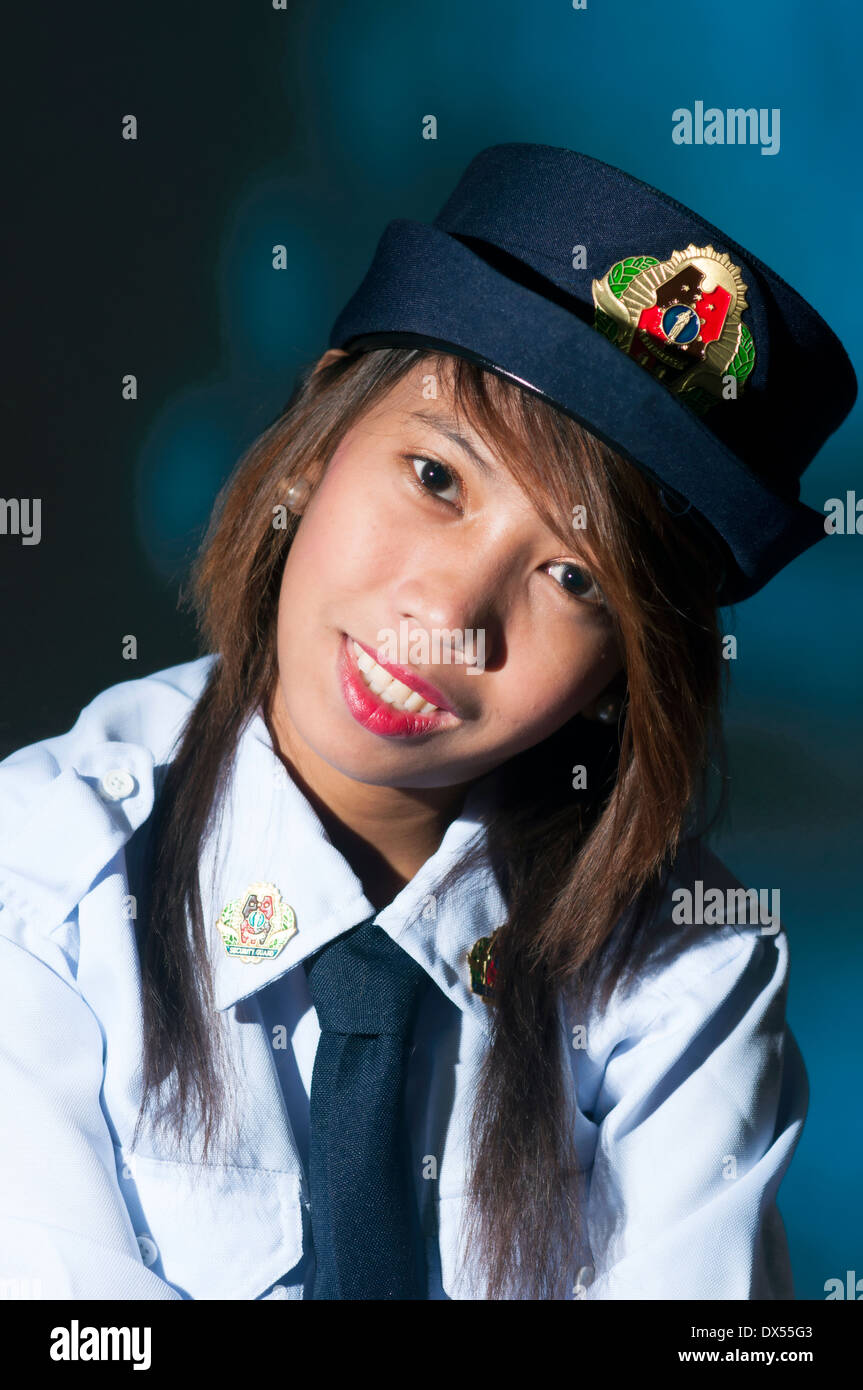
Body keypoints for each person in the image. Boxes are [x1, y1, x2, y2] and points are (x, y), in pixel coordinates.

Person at [0, 143, 856, 1301]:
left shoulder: (686, 975)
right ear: (320, 432)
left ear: (624, 673)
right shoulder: (41, 887)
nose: (449, 616)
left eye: (575, 581)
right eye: (436, 477)